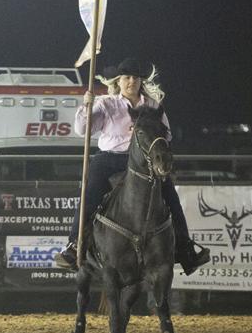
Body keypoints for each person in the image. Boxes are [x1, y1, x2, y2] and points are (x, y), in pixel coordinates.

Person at [54, 58, 209, 275]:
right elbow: (82, 130)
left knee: (171, 198)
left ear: (141, 81)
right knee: (89, 197)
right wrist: (86, 106)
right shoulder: (106, 103)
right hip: (109, 159)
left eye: (135, 78)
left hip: (143, 161)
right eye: (127, 78)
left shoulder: (153, 106)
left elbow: (168, 134)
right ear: (119, 81)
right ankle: (73, 246)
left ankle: (185, 249)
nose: (131, 82)